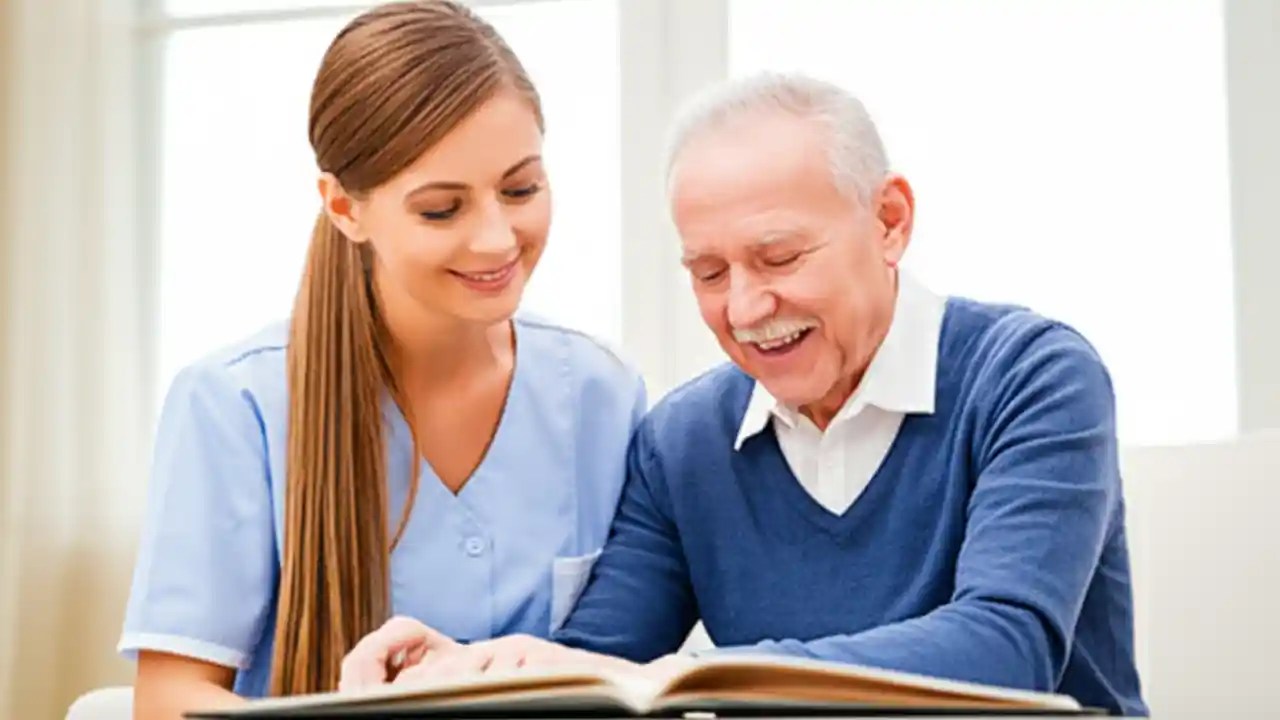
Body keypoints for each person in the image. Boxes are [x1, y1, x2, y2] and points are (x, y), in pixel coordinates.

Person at [339, 72, 1149, 717]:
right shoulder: (683, 441)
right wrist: (470, 672)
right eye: (709, 273)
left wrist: (698, 675)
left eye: (780, 257)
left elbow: (1005, 651)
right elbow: (597, 667)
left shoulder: (1033, 377)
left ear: (890, 220)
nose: (745, 309)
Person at [116, 2, 645, 718]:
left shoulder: (601, 395)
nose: (496, 239)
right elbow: (170, 701)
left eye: (520, 189)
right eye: (440, 209)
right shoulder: (235, 406)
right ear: (345, 208)